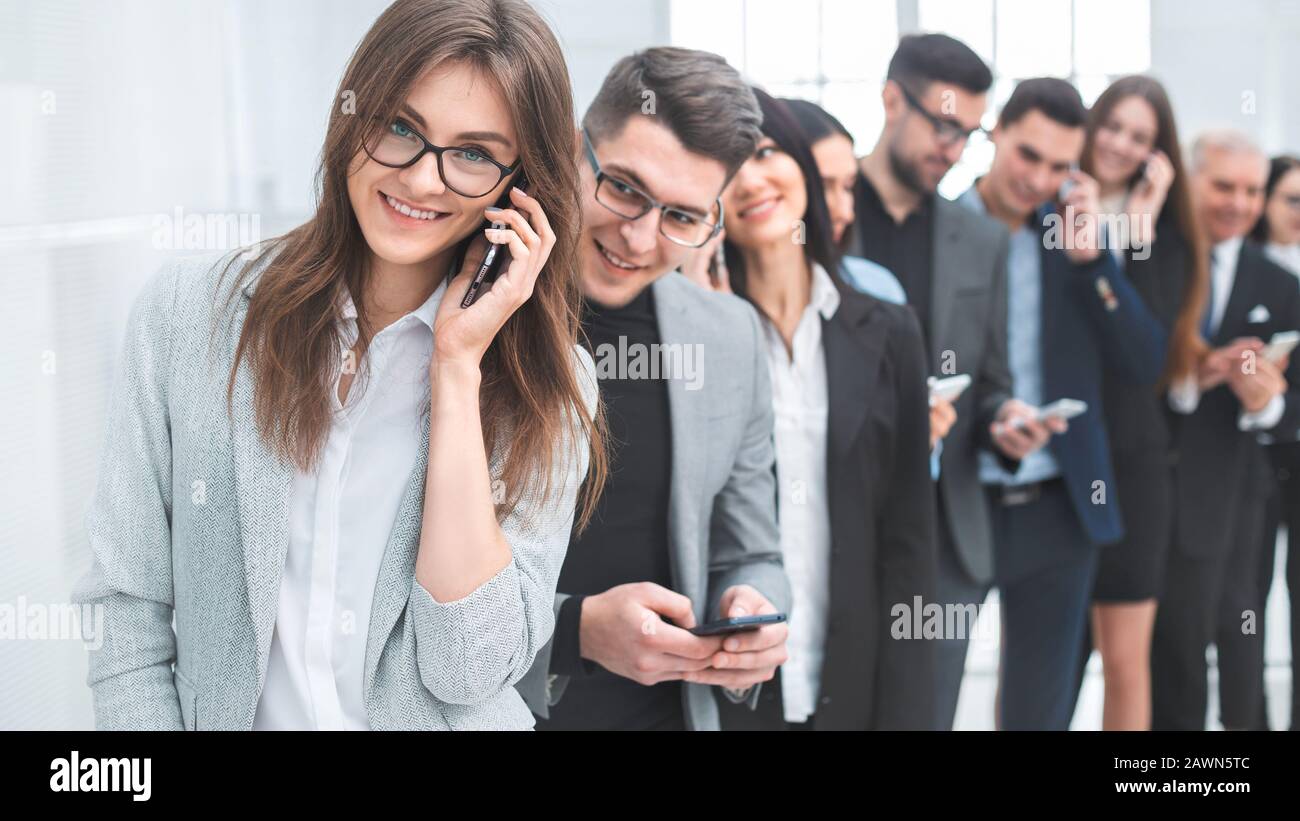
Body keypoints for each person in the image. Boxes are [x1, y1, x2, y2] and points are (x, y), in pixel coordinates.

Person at [71, 0, 606, 730]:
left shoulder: (550, 381)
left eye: (474, 153)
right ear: (353, 117)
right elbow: (126, 611)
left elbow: (468, 669)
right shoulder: (188, 315)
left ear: (522, 187)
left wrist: (455, 367)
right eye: (400, 127)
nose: (422, 180)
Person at [515, 47, 792, 731]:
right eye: (625, 188)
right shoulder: (475, 308)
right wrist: (574, 631)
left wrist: (751, 606)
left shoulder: (729, 337)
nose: (639, 237)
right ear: (574, 151)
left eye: (683, 216)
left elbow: (752, 549)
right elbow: (391, 587)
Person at [685, 89, 933, 730]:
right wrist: (697, 316)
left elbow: (910, 539)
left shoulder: (890, 331)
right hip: (724, 680)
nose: (751, 179)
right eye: (725, 168)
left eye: (764, 152)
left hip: (852, 675)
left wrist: (908, 709)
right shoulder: (687, 335)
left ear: (799, 163)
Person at [960, 77, 1166, 730]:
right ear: (996, 134)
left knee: (1036, 713)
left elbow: (1142, 359)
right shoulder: (945, 229)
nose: (1038, 178)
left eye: (1057, 166)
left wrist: (1093, 262)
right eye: (1028, 155)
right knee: (927, 692)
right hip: (960, 499)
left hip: (1060, 505)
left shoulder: (1073, 239)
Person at [850, 32, 1040, 730]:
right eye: (944, 125)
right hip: (839, 515)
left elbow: (989, 378)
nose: (956, 149)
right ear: (891, 99)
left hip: (942, 535)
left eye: (970, 134)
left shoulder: (980, 238)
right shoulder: (823, 218)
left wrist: (1004, 419)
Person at [1152, 130, 1300, 730]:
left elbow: (1293, 408)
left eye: (1250, 190)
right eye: (1223, 187)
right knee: (1174, 653)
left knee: (1242, 639)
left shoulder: (1280, 286)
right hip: (1155, 491)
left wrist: (1266, 404)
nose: (1237, 204)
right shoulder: (1156, 263)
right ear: (1192, 183)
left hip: (1239, 495)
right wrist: (1190, 376)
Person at [1078, 75, 1210, 730]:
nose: (1121, 144)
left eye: (1141, 137)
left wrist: (1138, 229)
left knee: (1126, 661)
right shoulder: (1054, 208)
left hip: (1133, 464)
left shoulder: (1167, 237)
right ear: (1092, 124)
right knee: (1041, 655)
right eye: (1114, 126)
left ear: (1159, 155)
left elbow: (1146, 354)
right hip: (1058, 459)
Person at [1243, 154, 1300, 730]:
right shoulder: (1248, 270)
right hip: (1255, 458)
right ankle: (1247, 725)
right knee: (1245, 603)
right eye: (1292, 199)